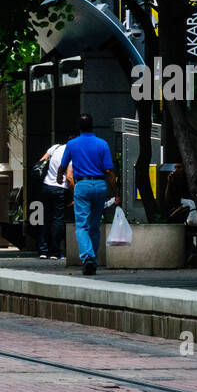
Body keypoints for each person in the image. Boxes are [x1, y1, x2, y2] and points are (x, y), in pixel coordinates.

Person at [57, 113, 119, 276]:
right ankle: (93, 258)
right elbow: (109, 171)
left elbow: (63, 166)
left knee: (82, 225)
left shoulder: (72, 144)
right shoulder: (102, 144)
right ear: (93, 126)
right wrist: (116, 193)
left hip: (82, 185)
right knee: (95, 224)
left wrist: (58, 178)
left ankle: (88, 257)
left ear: (79, 127)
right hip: (100, 185)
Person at [34, 140, 69, 259]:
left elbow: (41, 161)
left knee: (45, 218)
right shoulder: (72, 153)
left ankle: (43, 250)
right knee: (57, 219)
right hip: (60, 188)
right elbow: (69, 175)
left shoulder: (55, 148)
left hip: (46, 186)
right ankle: (55, 251)